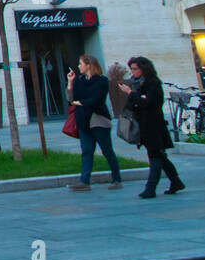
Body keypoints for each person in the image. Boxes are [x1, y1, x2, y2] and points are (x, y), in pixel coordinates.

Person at [119, 56, 184, 198]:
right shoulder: (138, 84)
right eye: (131, 69)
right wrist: (133, 95)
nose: (132, 72)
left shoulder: (152, 83)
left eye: (135, 69)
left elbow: (146, 103)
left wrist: (131, 93)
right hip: (144, 125)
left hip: (154, 125)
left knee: (155, 155)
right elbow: (134, 104)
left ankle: (150, 188)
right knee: (160, 155)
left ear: (144, 69)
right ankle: (175, 181)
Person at [66, 55, 122, 191]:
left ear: (88, 65)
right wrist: (70, 82)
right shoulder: (78, 80)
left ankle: (117, 179)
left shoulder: (102, 81)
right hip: (82, 120)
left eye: (80, 64)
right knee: (86, 151)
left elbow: (97, 99)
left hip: (98, 120)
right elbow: (71, 99)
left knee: (107, 150)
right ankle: (84, 181)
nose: (79, 66)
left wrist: (82, 103)